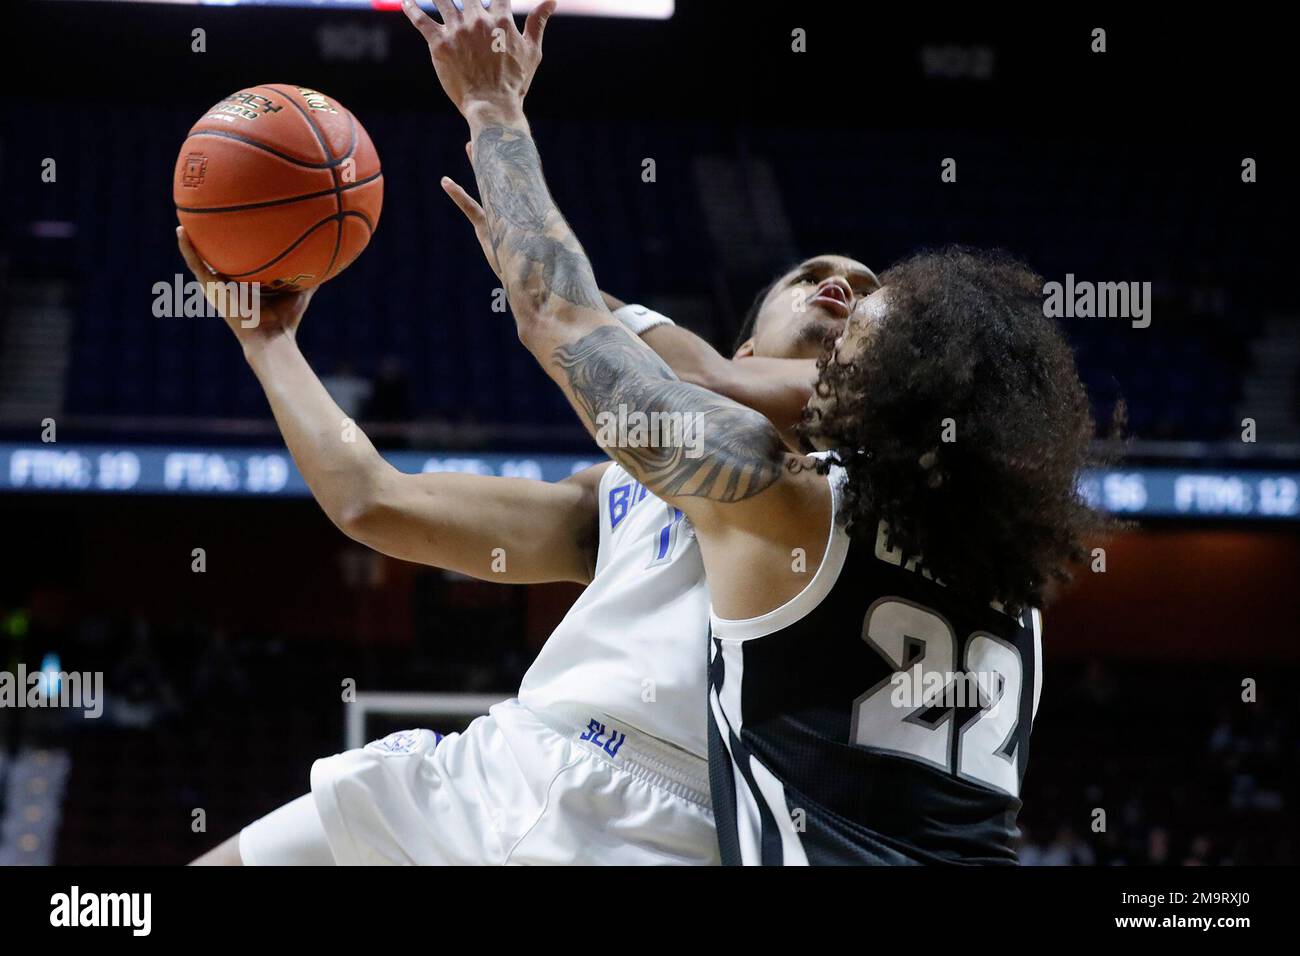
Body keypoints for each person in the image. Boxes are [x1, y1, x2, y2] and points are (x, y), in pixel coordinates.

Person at [183, 1, 880, 864]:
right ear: (745, 336)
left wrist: (497, 124)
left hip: (677, 825)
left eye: (865, 288)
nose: (839, 285)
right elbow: (373, 501)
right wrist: (270, 344)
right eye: (811, 274)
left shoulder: (883, 459)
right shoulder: (624, 487)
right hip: (508, 759)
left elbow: (656, 357)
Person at [410, 0, 1106, 864]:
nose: (840, 316)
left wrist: (494, 114)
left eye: (865, 326)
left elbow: (577, 322)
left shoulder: (791, 502)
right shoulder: (1015, 586)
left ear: (896, 379)